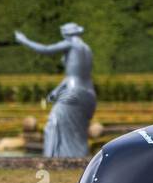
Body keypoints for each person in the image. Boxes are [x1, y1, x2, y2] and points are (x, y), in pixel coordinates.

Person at [14, 23, 96, 157]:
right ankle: (77, 158)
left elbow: (45, 49)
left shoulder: (70, 44)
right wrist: (57, 90)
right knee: (78, 131)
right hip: (89, 94)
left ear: (65, 34)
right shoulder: (87, 49)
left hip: (73, 93)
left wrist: (24, 40)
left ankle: (54, 159)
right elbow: (75, 74)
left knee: (53, 123)